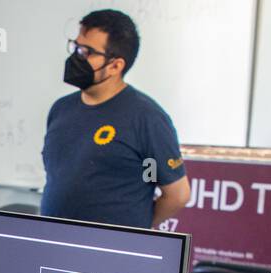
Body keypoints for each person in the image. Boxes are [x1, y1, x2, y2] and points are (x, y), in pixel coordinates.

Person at [40, 9, 190, 229]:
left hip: (110, 255)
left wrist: (134, 231)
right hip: (54, 245)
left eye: (86, 51)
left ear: (115, 66)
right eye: (76, 46)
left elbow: (177, 194)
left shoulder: (146, 117)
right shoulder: (61, 109)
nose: (76, 56)